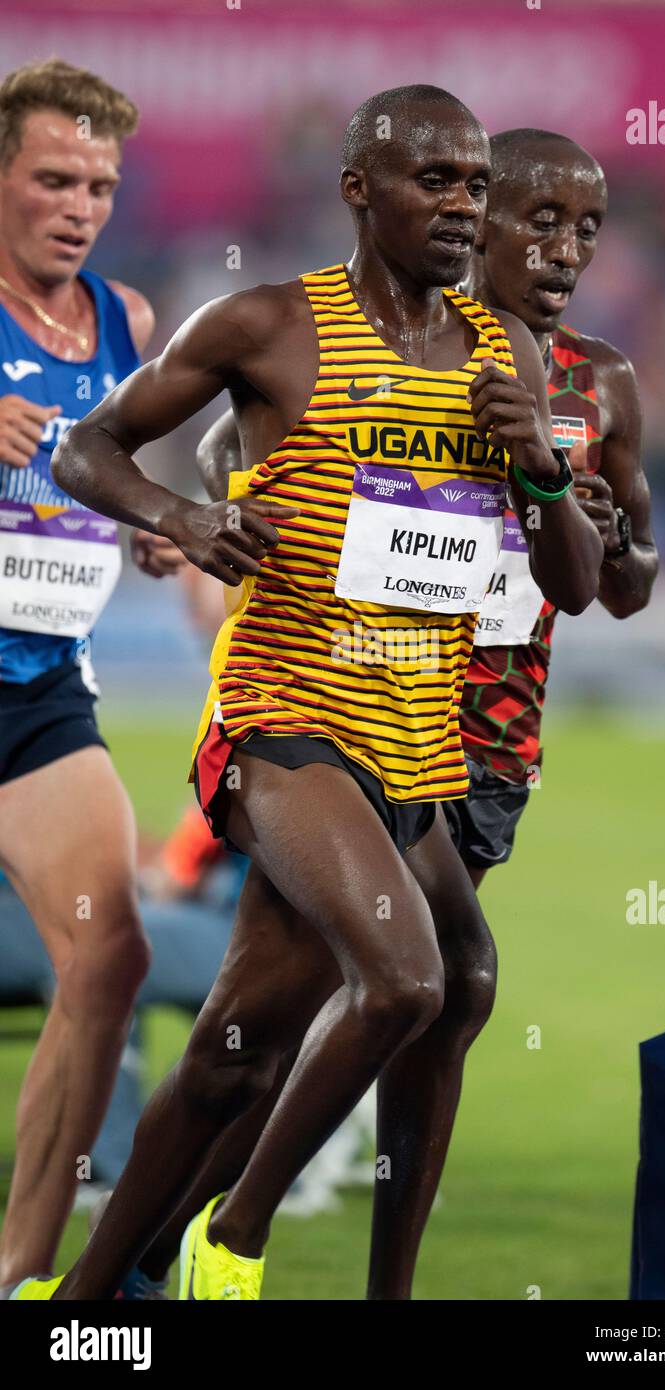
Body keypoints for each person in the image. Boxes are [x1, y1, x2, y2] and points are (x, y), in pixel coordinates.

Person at [24, 84, 601, 1302]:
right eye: (432, 181)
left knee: (240, 1045)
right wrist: (185, 513)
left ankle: (80, 1309)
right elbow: (86, 448)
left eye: (474, 186)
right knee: (410, 979)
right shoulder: (271, 326)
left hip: (418, 742)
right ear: (359, 190)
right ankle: (230, 1239)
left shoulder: (511, 357)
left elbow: (578, 584)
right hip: (286, 717)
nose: (460, 207)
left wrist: (542, 469)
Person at [0, 57, 172, 1294]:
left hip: (42, 684)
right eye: (54, 178)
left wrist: (151, 523)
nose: (81, 204)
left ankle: (21, 1271)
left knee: (109, 960)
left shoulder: (128, 323)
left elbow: (110, 479)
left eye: (100, 183)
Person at [442, 128, 659, 883]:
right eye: (541, 221)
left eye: (586, 228)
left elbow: (630, 592)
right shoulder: (400, 345)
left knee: (430, 989)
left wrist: (609, 541)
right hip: (370, 709)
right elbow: (227, 452)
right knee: (417, 971)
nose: (565, 249)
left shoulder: (600, 379)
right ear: (477, 221)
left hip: (495, 737)